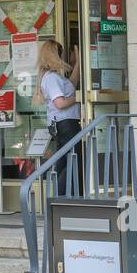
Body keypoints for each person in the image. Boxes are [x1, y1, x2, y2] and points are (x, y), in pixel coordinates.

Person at [37, 39, 82, 196]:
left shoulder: (53, 77)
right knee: (73, 162)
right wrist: (78, 98)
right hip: (66, 124)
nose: (63, 58)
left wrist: (78, 63)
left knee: (65, 162)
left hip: (62, 124)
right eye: (60, 54)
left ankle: (59, 197)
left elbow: (71, 84)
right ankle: (64, 197)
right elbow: (60, 103)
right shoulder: (52, 78)